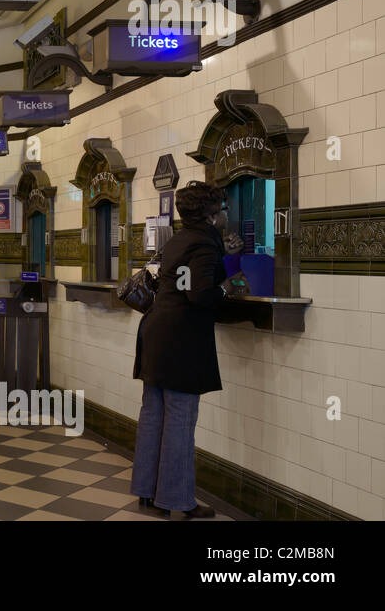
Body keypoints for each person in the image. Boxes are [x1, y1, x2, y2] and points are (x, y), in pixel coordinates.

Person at [131, 181, 245, 519]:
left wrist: (224, 254)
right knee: (180, 418)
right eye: (223, 209)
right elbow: (199, 295)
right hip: (181, 340)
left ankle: (148, 492)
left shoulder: (179, 240)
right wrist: (226, 289)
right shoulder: (205, 245)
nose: (226, 214)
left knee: (153, 413)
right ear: (211, 216)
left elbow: (183, 279)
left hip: (154, 333)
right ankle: (179, 500)